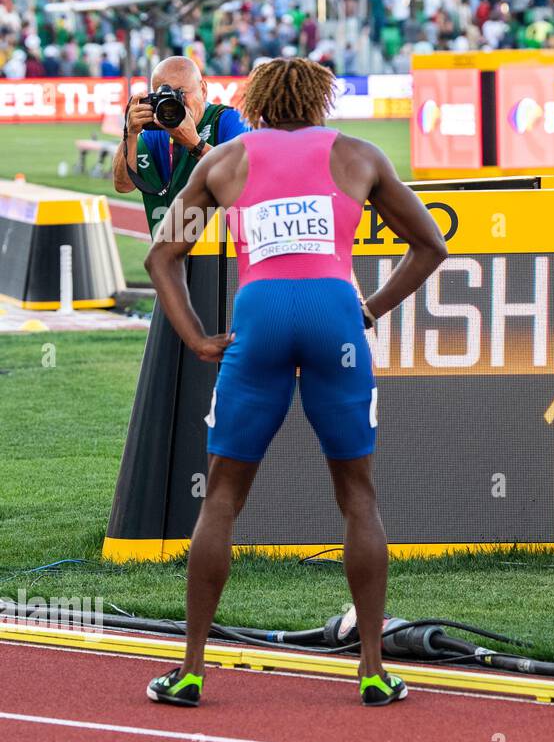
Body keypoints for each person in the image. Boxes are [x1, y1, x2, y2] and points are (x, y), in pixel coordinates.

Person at [141, 58, 449, 707]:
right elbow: (430, 245)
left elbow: (162, 256)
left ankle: (192, 669)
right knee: (357, 497)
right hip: (334, 314)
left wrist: (198, 337)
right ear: (321, 101)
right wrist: (370, 309)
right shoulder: (358, 155)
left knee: (221, 497)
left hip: (261, 314)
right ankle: (371, 669)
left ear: (254, 103)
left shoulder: (226, 161)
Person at [113, 56, 251, 236]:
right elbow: (123, 185)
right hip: (170, 255)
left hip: (221, 255)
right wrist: (130, 134)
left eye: (181, 93)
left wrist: (194, 143)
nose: (176, 103)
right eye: (164, 96)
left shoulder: (226, 120)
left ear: (203, 89)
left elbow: (243, 179)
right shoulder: (153, 134)